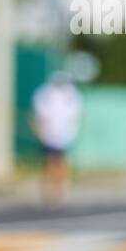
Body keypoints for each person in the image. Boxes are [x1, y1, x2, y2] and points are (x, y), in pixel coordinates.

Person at [30, 71, 81, 207]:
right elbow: (39, 115)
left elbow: (74, 117)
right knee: (50, 163)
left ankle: (58, 191)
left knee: (59, 163)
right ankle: (49, 191)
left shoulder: (70, 95)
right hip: (49, 135)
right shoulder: (45, 94)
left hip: (63, 136)